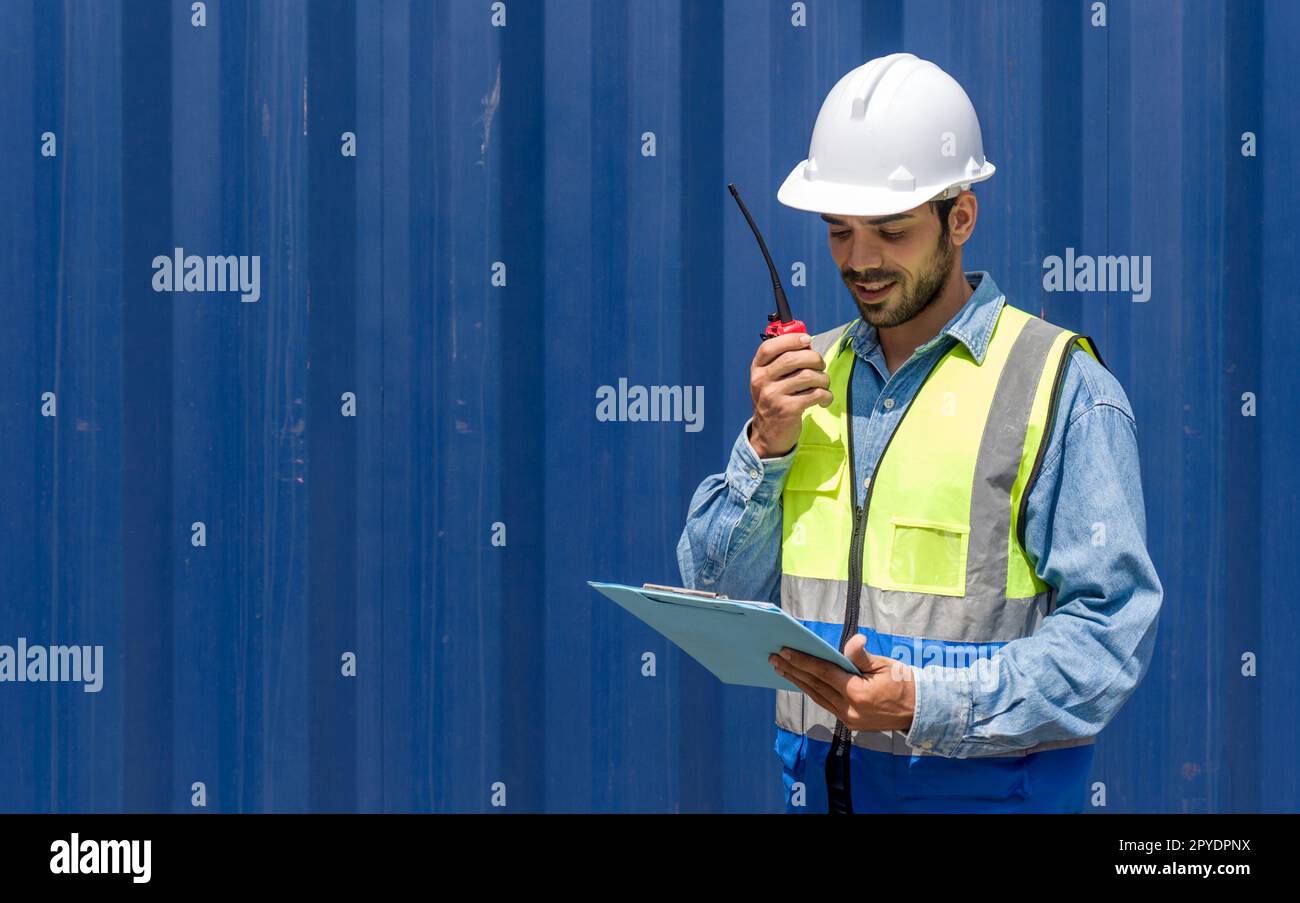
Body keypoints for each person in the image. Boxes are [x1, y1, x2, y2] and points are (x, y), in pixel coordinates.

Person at [675, 53, 1163, 813]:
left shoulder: (1061, 387)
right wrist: (764, 449)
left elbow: (1110, 640)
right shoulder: (808, 378)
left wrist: (926, 703)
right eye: (839, 231)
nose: (860, 261)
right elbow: (711, 596)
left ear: (959, 217)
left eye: (891, 232)